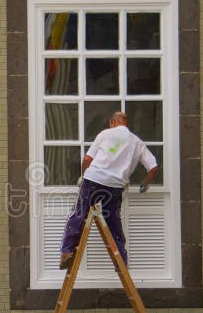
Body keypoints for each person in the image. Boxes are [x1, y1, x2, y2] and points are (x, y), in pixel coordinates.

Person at [59, 111, 158, 270]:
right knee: (113, 223)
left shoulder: (105, 134)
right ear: (126, 124)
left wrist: (83, 175)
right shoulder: (137, 142)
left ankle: (67, 252)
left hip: (94, 180)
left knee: (79, 213)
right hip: (115, 186)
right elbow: (153, 166)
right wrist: (145, 183)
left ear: (113, 122)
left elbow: (86, 159)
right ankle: (121, 262)